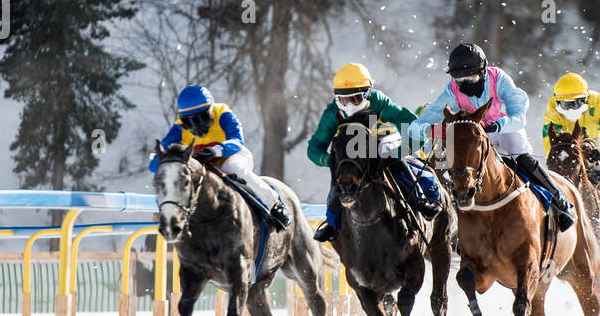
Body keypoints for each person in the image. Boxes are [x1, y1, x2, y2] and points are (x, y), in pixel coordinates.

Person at [414, 43, 576, 232]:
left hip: (506, 127)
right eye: (459, 80)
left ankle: (559, 201)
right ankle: (456, 222)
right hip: (477, 134)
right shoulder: (451, 90)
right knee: (454, 164)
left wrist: (497, 125)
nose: (464, 84)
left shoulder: (498, 79)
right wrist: (427, 129)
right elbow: (425, 118)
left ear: (483, 72)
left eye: (471, 77)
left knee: (520, 155)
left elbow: (519, 116)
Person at [307, 63, 443, 244]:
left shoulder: (379, 101)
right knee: (338, 181)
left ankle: (420, 201)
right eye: (343, 100)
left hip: (382, 142)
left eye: (355, 99)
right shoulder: (332, 112)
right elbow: (314, 147)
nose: (349, 105)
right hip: (351, 154)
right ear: (336, 98)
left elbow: (415, 126)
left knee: (401, 167)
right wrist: (330, 160)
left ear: (368, 93)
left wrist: (398, 152)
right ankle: (332, 223)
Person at [149, 84, 291, 230]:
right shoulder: (178, 128)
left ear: (211, 110)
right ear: (182, 120)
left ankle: (275, 205)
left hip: (233, 157)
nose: (196, 127)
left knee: (231, 167)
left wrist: (216, 150)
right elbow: (154, 165)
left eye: (202, 118)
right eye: (189, 122)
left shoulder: (223, 114)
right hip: (205, 168)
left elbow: (237, 141)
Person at [542, 72, 600, 203]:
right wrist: (556, 160)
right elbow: (549, 142)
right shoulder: (552, 108)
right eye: (566, 104)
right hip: (568, 150)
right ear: (557, 101)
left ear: (586, 99)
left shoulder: (597, 102)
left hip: (595, 145)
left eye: (576, 103)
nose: (571, 109)